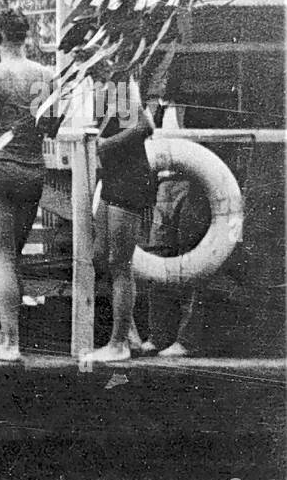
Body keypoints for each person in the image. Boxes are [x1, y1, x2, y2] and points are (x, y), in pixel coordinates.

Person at [0, 9, 58, 361]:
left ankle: (10, 342)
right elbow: (50, 125)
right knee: (14, 260)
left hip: (1, 171)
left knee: (2, 259)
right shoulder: (45, 74)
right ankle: (9, 338)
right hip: (34, 169)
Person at [82, 77, 156, 362]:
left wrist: (105, 145)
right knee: (100, 256)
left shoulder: (121, 85)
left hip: (130, 178)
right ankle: (130, 334)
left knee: (119, 263)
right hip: (113, 178)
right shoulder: (101, 87)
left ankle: (119, 343)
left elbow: (145, 126)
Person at [142, 170, 210, 357]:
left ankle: (187, 339)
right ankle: (158, 336)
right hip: (164, 183)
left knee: (190, 257)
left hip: (195, 182)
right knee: (159, 258)